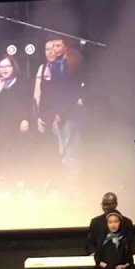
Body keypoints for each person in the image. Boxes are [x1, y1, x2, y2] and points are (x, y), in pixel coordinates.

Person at [35, 37, 85, 172]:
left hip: (70, 115)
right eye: (52, 47)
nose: (54, 50)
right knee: (63, 154)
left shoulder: (70, 65)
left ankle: (74, 185)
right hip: (58, 115)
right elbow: (50, 93)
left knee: (71, 153)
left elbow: (70, 93)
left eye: (57, 46)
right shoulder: (54, 66)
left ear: (65, 47)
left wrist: (59, 114)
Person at [0, 55, 34, 163]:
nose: (4, 69)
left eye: (7, 66)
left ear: (13, 67)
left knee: (21, 153)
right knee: (6, 154)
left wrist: (25, 119)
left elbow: (28, 102)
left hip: (20, 123)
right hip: (3, 126)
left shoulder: (22, 81)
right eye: (1, 67)